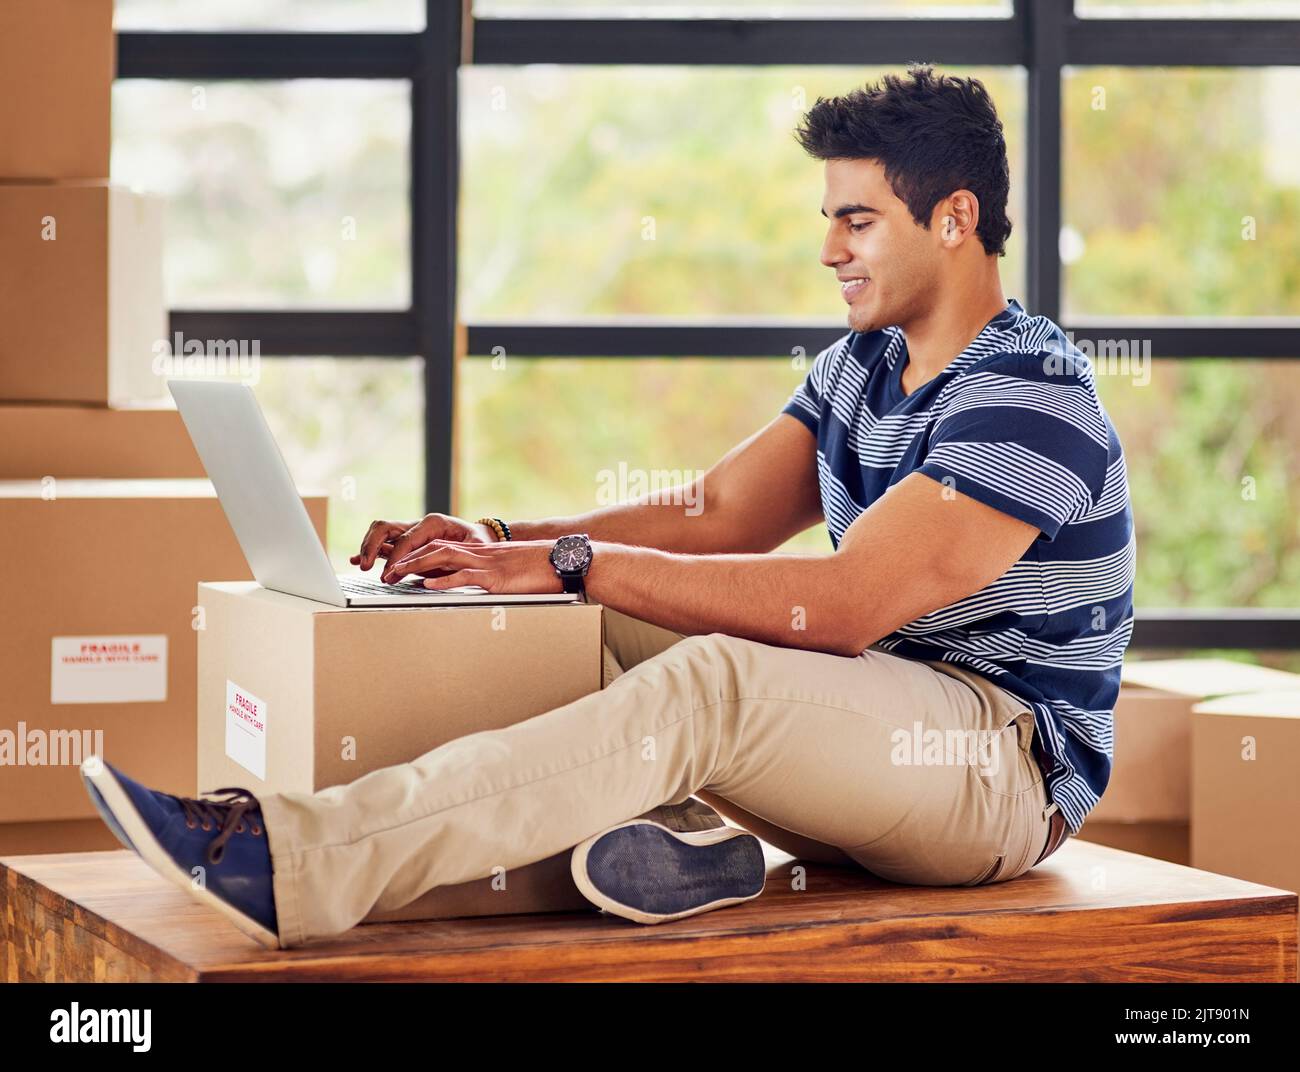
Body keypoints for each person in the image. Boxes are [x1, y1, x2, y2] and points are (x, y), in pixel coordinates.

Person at [82, 64, 1135, 950]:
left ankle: (291, 857)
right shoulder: (862, 368)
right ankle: (685, 841)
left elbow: (850, 601)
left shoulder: (1030, 391)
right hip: (863, 733)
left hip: (991, 768)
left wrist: (579, 558)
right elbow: (717, 509)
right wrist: (507, 544)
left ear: (954, 218)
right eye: (827, 221)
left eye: (857, 221)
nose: (828, 251)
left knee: (709, 680)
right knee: (575, 611)